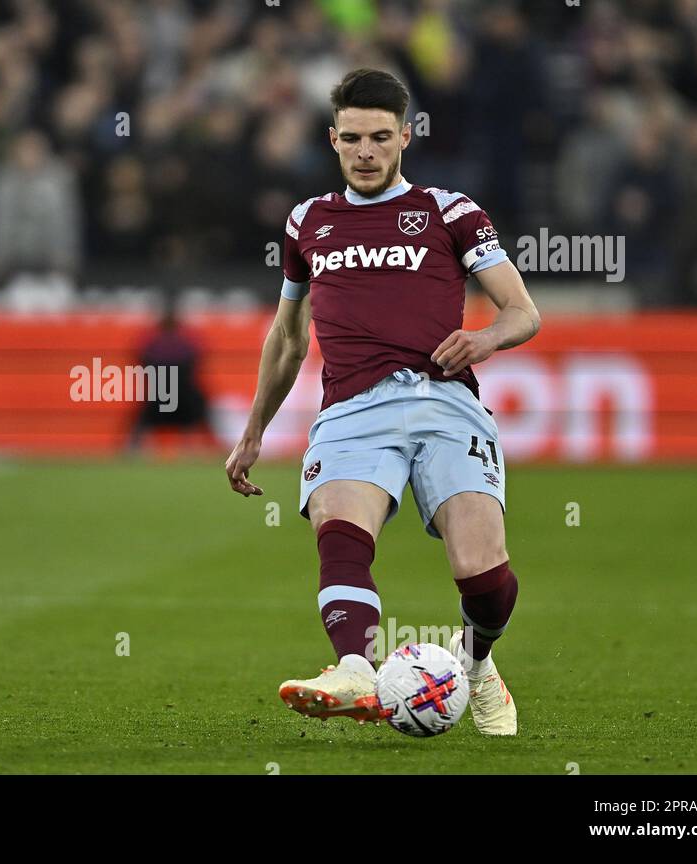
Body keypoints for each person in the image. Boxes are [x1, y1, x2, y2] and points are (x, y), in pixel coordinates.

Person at [224, 70, 541, 736]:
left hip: (445, 402)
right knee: (340, 532)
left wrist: (482, 340)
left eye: (378, 137)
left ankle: (476, 664)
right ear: (332, 139)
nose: (365, 151)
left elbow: (522, 313)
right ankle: (353, 670)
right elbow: (287, 338)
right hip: (351, 408)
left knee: (481, 574)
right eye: (351, 139)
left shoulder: (452, 211)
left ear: (404, 135)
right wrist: (254, 431)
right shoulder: (308, 221)